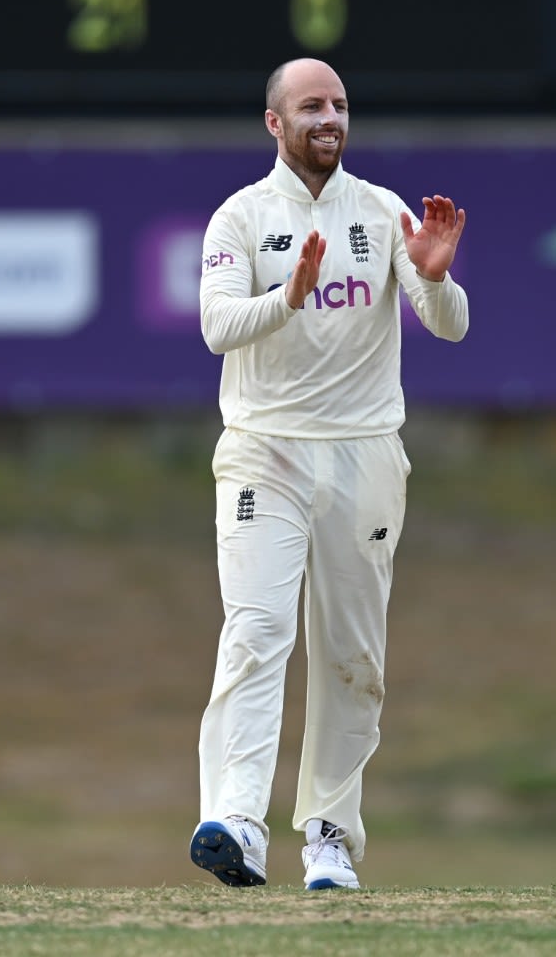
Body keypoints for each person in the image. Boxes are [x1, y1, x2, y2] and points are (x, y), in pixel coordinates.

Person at [188, 58, 468, 891]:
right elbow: (214, 327)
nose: (330, 118)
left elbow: (449, 327)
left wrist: (438, 273)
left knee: (352, 654)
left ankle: (329, 837)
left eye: (340, 105)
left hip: (364, 451)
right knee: (256, 629)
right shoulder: (240, 218)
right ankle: (238, 819)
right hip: (263, 449)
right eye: (311, 106)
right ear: (275, 122)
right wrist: (289, 297)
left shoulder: (382, 212)